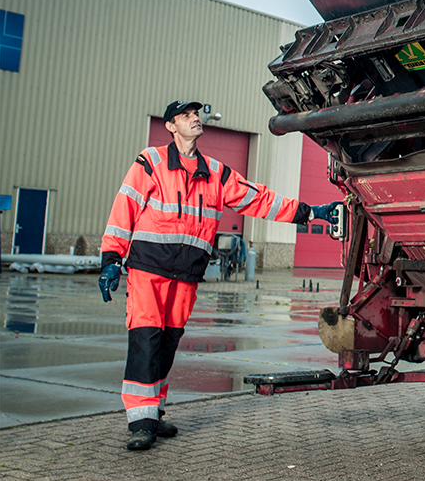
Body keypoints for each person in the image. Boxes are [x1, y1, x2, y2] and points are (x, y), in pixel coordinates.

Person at [98, 100, 340, 451]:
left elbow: (260, 200)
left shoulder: (215, 172)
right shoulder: (150, 162)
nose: (195, 119)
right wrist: (111, 257)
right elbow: (125, 207)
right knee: (145, 340)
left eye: (197, 114)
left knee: (166, 345)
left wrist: (309, 212)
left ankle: (154, 411)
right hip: (148, 269)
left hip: (186, 274)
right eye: (186, 115)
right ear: (170, 126)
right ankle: (141, 421)